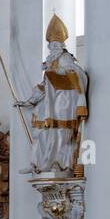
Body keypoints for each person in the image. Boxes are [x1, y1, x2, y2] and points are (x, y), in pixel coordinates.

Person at [17, 14, 89, 177]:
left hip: (64, 101)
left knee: (61, 133)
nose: (53, 47)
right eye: (51, 45)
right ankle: (38, 163)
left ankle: (61, 164)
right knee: (41, 131)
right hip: (49, 103)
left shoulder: (65, 58)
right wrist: (29, 101)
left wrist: (65, 73)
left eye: (56, 44)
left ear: (62, 45)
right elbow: (44, 86)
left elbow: (78, 75)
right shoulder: (50, 63)